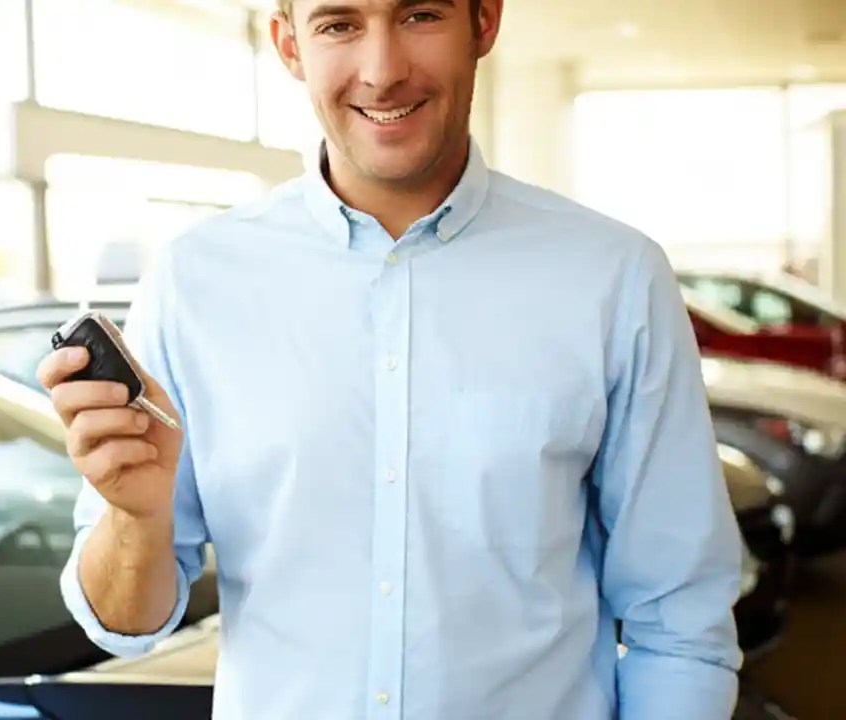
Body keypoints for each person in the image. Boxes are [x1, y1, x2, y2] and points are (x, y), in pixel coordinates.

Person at [38, 0, 744, 717]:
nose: (382, 73)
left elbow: (681, 626)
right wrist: (137, 519)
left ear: (486, 22)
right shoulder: (193, 280)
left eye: (420, 15)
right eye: (339, 24)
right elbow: (126, 625)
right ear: (289, 46)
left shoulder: (613, 277)